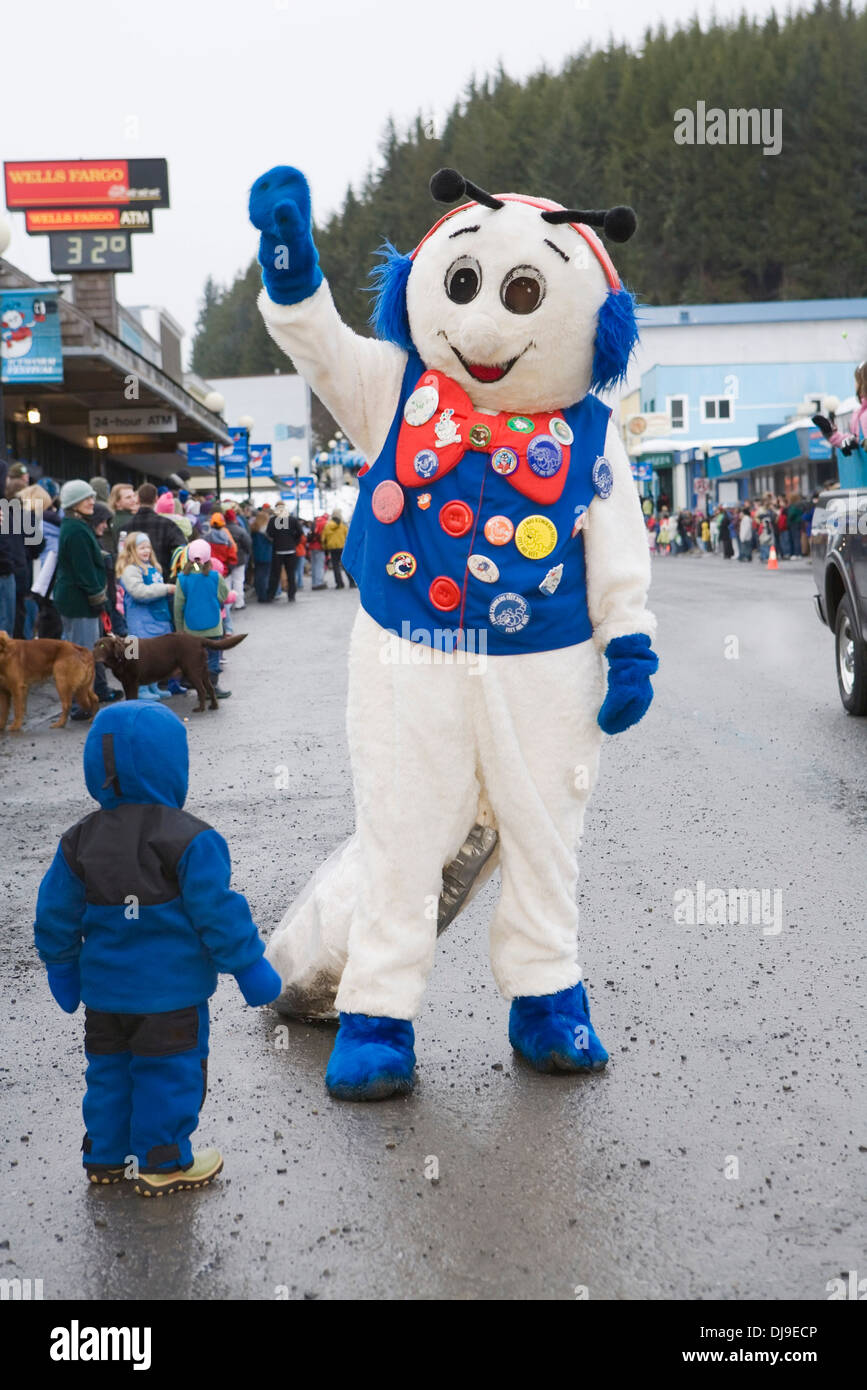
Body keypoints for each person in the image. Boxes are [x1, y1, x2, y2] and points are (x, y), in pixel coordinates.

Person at [33, 701, 281, 1195]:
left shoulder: (77, 841)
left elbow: (54, 913)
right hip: (171, 999)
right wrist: (250, 966)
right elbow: (219, 914)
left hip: (103, 998)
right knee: (168, 1074)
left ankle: (106, 1157)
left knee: (108, 1074)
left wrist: (61, 967)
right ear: (171, 765)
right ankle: (163, 1163)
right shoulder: (191, 839)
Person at [117, 533, 176, 700]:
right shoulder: (130, 570)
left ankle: (153, 686)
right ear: (131, 550)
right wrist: (166, 589)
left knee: (153, 656)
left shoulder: (152, 567)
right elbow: (138, 592)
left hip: (156, 618)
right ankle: (140, 690)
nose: (146, 550)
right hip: (139, 621)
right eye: (141, 547)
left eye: (148, 547)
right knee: (137, 655)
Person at [174, 538, 233, 698]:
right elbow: (224, 595)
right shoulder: (215, 576)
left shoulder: (182, 579)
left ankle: (199, 685)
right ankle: (212, 687)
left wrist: (180, 630)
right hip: (213, 626)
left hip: (191, 628)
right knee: (213, 658)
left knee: (196, 659)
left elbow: (178, 606)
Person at [133, 483, 187, 578]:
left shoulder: (126, 526)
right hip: (163, 578)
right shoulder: (168, 525)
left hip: (134, 579)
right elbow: (183, 551)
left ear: (138, 499)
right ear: (156, 499)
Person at [266, 506, 303, 602]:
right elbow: (300, 532)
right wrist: (294, 542)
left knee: (275, 574)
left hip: (278, 550)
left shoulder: (273, 520)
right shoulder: (292, 520)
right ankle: (291, 595)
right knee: (291, 574)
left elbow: (269, 533)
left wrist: (276, 539)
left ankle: (271, 595)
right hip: (290, 550)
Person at [224, 507, 251, 609]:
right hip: (239, 559)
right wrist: (247, 553)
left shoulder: (222, 531)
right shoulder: (240, 530)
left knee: (227, 581)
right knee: (239, 581)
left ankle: (227, 604)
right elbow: (248, 544)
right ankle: (239, 603)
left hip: (226, 560)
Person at [321, 509, 353, 588]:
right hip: (342, 548)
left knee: (335, 566)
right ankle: (351, 582)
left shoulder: (328, 525)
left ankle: (339, 584)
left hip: (332, 548)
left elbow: (323, 538)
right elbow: (348, 536)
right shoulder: (343, 525)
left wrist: (325, 548)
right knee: (345, 565)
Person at [107, 484, 138, 552]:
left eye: (134, 496)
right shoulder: (132, 521)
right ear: (117, 502)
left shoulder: (112, 520)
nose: (134, 500)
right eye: (128, 497)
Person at [250, 511, 273, 602]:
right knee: (265, 576)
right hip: (266, 555)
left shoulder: (253, 528)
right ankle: (264, 595)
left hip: (257, 554)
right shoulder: (266, 530)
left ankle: (259, 593)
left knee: (258, 575)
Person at [309, 512, 328, 590]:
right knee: (319, 565)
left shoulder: (315, 522)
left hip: (311, 546)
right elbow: (325, 536)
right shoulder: (325, 523)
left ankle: (314, 582)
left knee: (313, 565)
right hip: (320, 546)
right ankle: (318, 583)